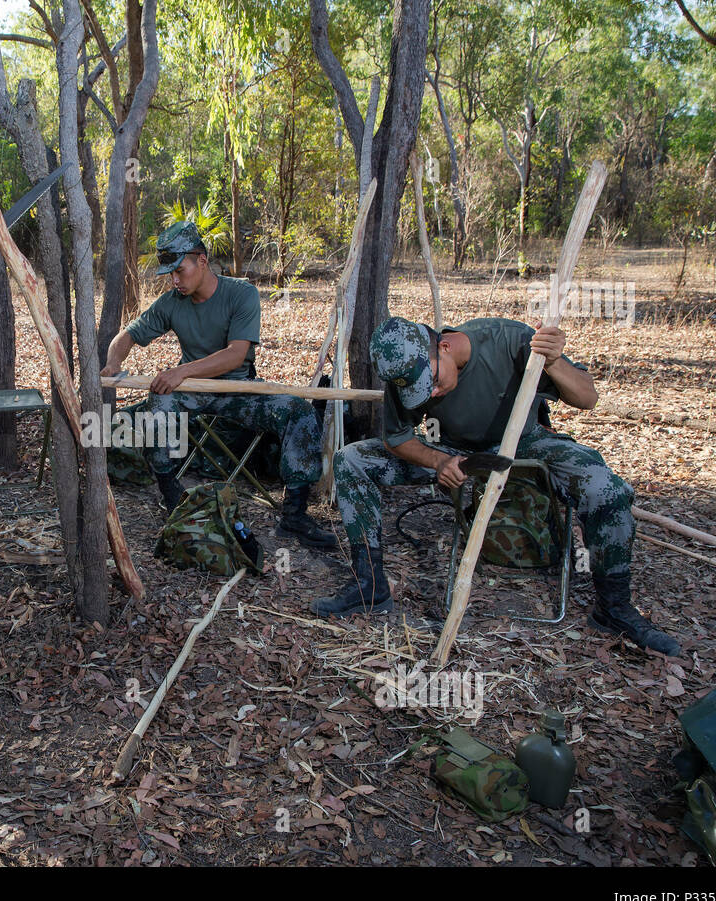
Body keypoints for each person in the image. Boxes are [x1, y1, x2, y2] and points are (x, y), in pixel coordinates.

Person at [313, 315, 680, 657]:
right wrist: (439, 461)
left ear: (444, 346)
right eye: (425, 392)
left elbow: (588, 397)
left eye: (435, 384)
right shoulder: (405, 368)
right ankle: (371, 585)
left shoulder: (509, 341)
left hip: (527, 442)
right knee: (353, 460)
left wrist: (552, 360)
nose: (434, 395)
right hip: (455, 450)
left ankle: (614, 607)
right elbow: (397, 438)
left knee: (607, 490)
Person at [100, 222, 336, 551]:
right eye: (170, 274)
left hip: (239, 391)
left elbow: (235, 354)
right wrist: (113, 361)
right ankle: (173, 498)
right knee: (160, 399)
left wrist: (180, 371)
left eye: (180, 271)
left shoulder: (241, 293)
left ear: (202, 261)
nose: (175, 280)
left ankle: (295, 513)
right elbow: (127, 335)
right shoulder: (171, 302)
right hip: (193, 395)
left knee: (297, 410)